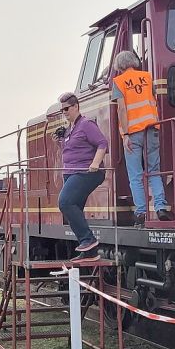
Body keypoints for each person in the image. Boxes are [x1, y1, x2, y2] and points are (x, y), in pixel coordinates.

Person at [111, 50, 173, 227]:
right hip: (152, 128)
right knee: (154, 170)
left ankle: (141, 212)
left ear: (119, 66)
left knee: (136, 175)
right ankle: (161, 207)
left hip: (133, 132)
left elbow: (122, 110)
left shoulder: (118, 82)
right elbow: (153, 100)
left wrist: (125, 135)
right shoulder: (147, 77)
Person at [55, 92, 108, 262]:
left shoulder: (86, 124)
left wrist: (95, 163)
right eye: (61, 110)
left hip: (86, 172)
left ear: (76, 106)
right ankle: (90, 252)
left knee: (65, 202)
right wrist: (61, 138)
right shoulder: (70, 129)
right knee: (73, 210)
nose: (64, 112)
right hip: (71, 174)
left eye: (66, 108)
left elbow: (102, 143)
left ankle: (88, 240)